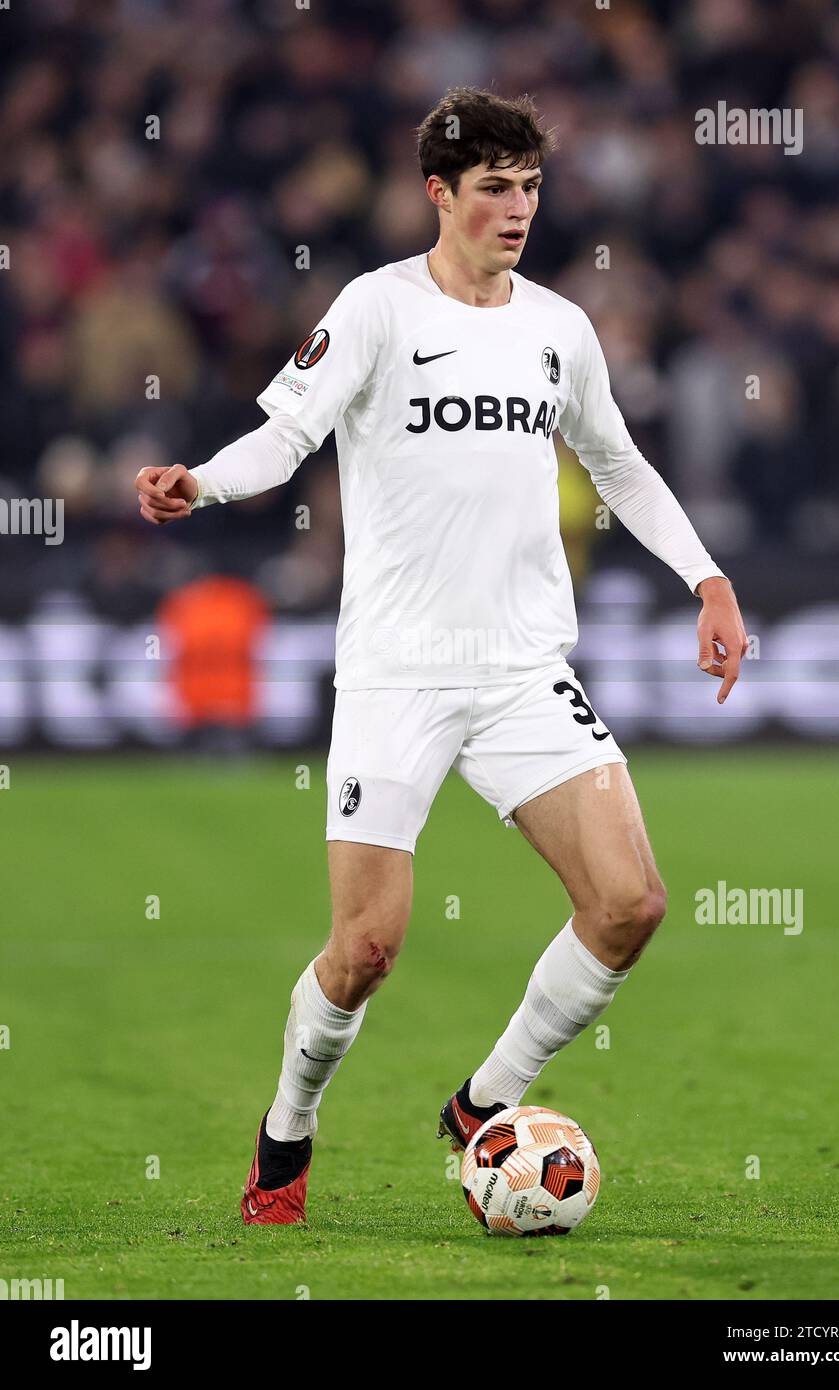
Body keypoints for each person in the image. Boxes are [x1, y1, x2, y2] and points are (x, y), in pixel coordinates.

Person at [135, 87, 748, 1226]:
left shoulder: (557, 327)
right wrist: (202, 480)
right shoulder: (375, 309)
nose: (516, 210)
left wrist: (705, 579)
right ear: (438, 194)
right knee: (364, 950)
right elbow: (286, 435)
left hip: (521, 670)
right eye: (493, 190)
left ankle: (485, 1101)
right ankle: (286, 1133)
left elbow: (618, 467)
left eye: (529, 188)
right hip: (396, 673)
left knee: (629, 901)